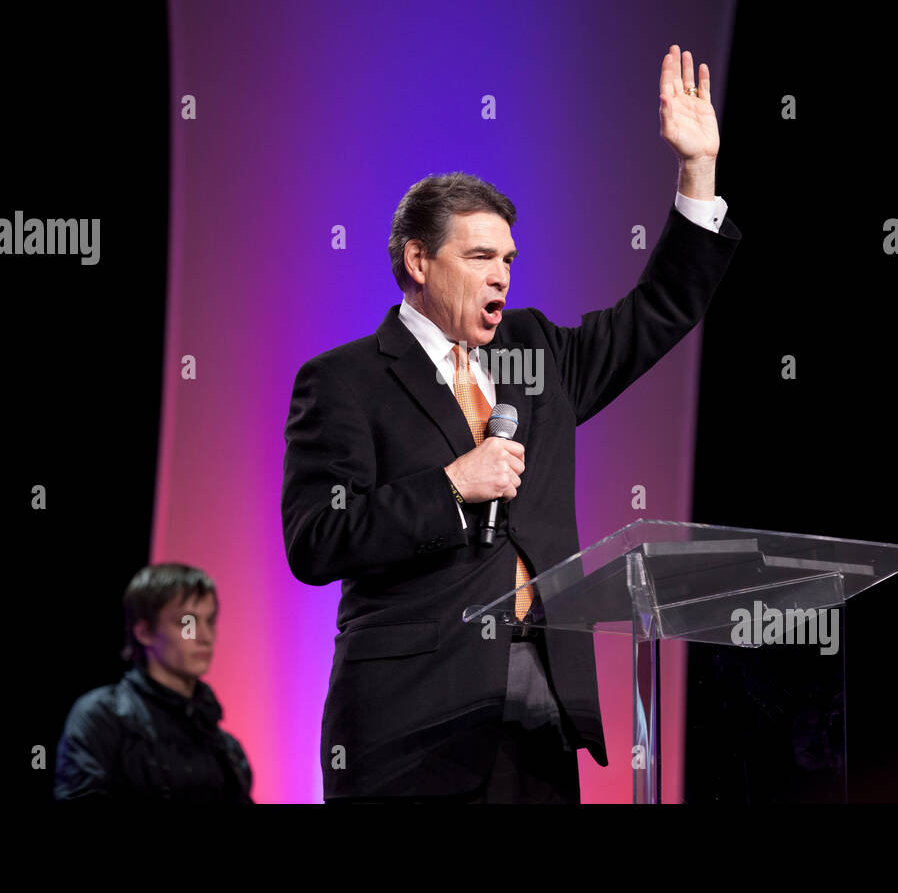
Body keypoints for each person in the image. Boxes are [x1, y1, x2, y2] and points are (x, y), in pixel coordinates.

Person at [281, 44, 741, 802]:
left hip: (539, 710)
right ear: (419, 261)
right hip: (408, 723)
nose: (501, 274)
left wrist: (697, 173)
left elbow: (658, 312)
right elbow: (315, 541)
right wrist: (451, 485)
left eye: (510, 259)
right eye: (480, 256)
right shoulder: (343, 381)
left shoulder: (535, 350)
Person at [53, 563, 253, 801]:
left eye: (209, 621)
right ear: (144, 632)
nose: (205, 637)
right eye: (187, 623)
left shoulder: (225, 748)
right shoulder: (102, 717)